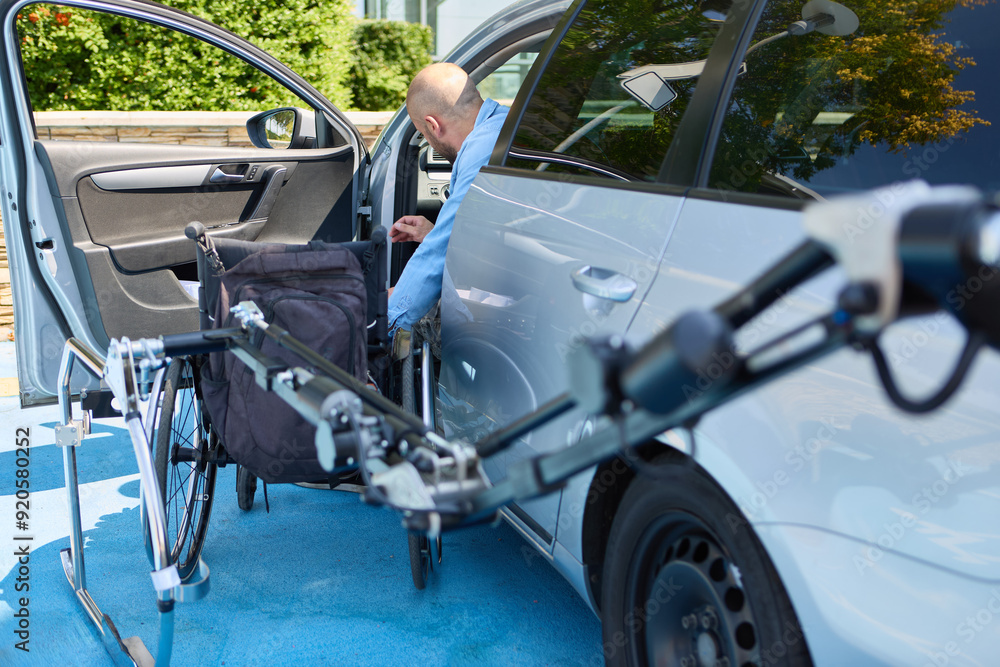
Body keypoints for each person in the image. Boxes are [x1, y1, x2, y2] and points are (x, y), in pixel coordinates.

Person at [387, 63, 509, 336]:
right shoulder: (501, 126)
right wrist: (433, 233)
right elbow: (475, 234)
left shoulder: (483, 152)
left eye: (423, 134)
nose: (428, 141)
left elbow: (437, 255)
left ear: (433, 125)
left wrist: (387, 323)